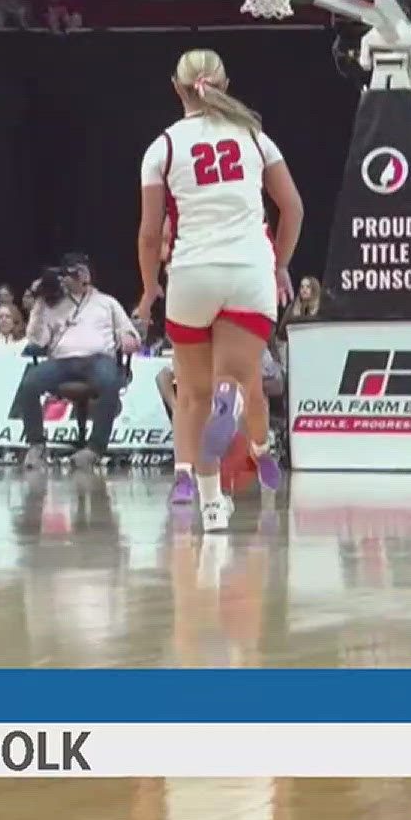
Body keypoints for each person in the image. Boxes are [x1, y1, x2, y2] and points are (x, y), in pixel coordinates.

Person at [134, 48, 304, 528]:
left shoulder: (162, 146)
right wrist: (281, 265)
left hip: (192, 273)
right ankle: (238, 413)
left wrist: (149, 291)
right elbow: (292, 209)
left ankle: (200, 491)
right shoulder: (255, 137)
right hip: (250, 269)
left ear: (176, 87)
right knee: (234, 378)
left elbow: (150, 234)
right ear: (224, 86)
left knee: (191, 392)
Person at [21, 252, 140, 471]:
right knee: (29, 383)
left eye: (84, 271)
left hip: (97, 360)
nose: (82, 277)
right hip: (62, 362)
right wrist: (39, 304)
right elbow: (37, 340)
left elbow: (129, 330)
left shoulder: (107, 302)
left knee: (109, 381)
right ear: (65, 277)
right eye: (76, 273)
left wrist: (128, 337)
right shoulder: (52, 303)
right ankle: (36, 444)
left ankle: (94, 448)